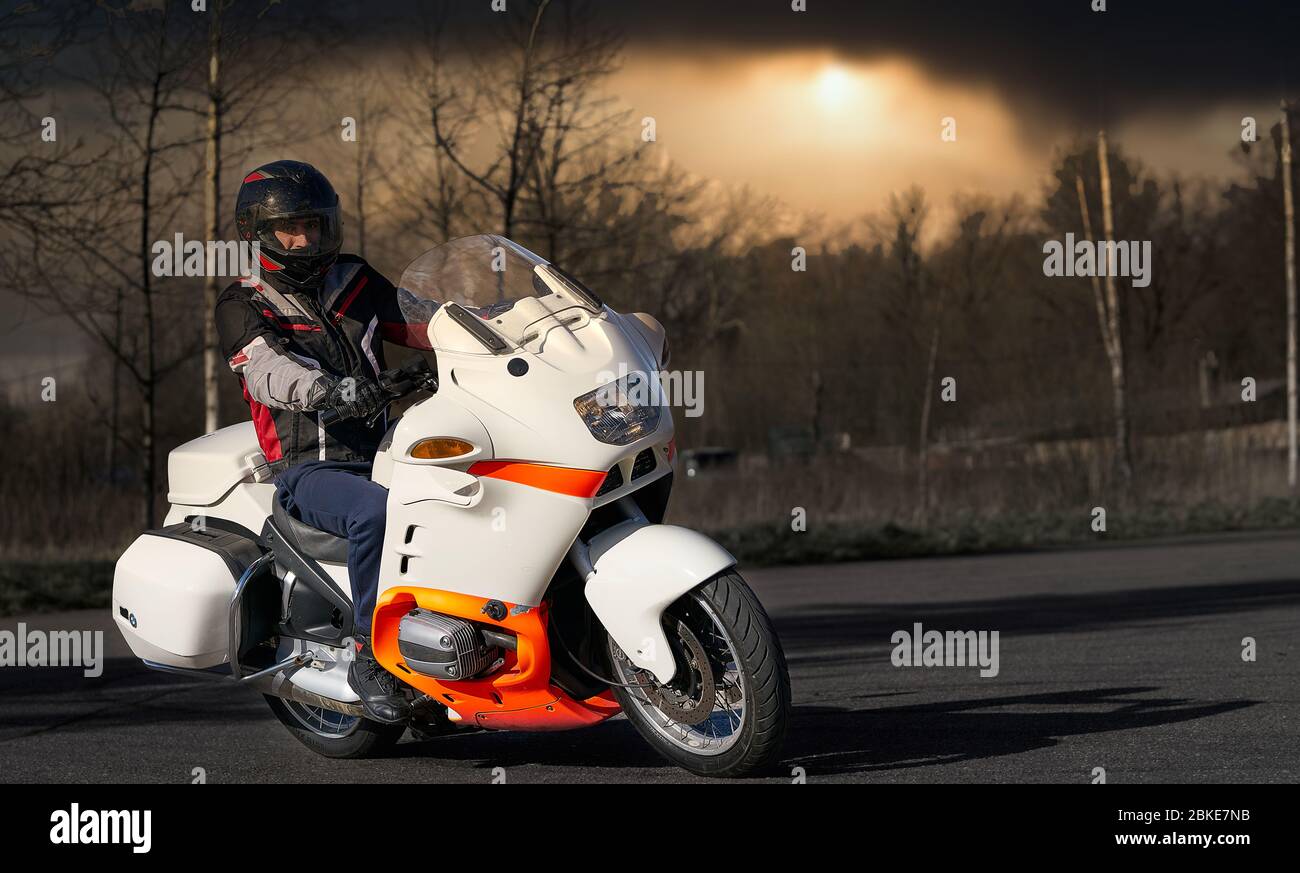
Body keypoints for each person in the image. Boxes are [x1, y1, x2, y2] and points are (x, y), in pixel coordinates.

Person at [216, 159, 435, 723]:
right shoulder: (246, 303)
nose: (305, 237)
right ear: (258, 234)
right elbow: (266, 371)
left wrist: (499, 326)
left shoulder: (354, 280)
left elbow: (421, 324)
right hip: (311, 469)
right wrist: (333, 391)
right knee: (375, 513)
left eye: (314, 224)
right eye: (291, 227)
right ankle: (370, 657)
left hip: (389, 452)